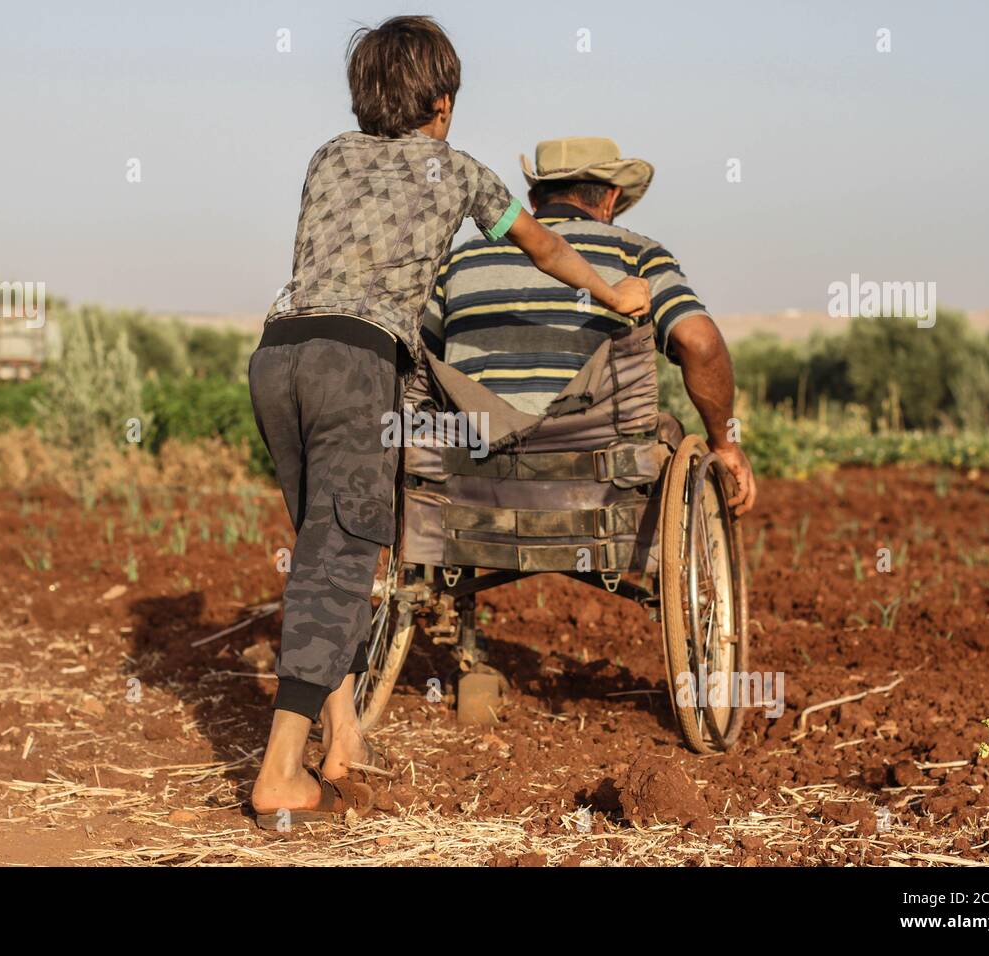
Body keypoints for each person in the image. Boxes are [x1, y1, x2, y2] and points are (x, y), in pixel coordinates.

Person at [247, 18, 651, 827]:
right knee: (340, 554)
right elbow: (543, 248)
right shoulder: (459, 172)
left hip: (279, 353)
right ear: (443, 104)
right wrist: (615, 293)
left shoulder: (327, 156)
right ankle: (280, 773)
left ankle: (343, 736)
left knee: (325, 548)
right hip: (355, 364)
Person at [424, 135, 758, 513]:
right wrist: (725, 445)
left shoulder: (459, 262)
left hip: (471, 486)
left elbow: (419, 364)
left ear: (534, 200)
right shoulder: (637, 255)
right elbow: (699, 341)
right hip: (604, 486)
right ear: (611, 199)